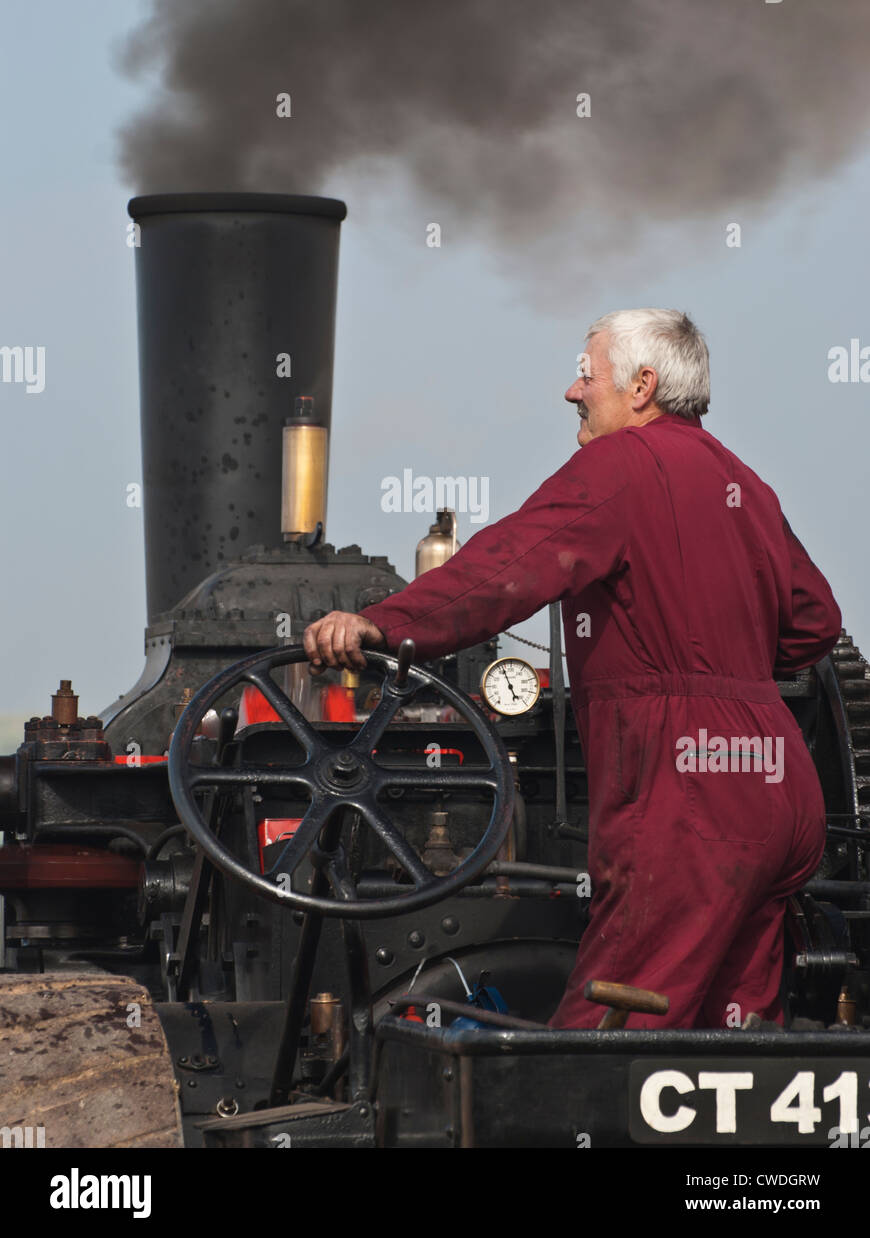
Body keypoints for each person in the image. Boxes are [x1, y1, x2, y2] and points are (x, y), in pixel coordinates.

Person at [303, 308, 841, 1029]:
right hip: (778, 785)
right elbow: (815, 621)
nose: (571, 392)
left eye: (586, 375)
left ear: (643, 385)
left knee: (611, 1034)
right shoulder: (744, 483)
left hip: (690, 793)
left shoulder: (621, 467)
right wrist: (726, 660)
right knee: (730, 1042)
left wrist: (387, 625)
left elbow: (509, 566)